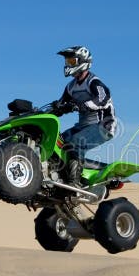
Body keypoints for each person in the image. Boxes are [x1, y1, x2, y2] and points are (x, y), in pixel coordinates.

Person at [51, 46, 117, 187]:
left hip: (104, 125)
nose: (69, 65)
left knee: (76, 143)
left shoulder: (93, 82)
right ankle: (62, 177)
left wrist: (80, 105)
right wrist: (56, 107)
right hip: (83, 126)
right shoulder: (70, 87)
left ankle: (74, 183)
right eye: (67, 62)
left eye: (72, 61)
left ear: (83, 61)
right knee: (57, 142)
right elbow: (62, 104)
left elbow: (103, 99)